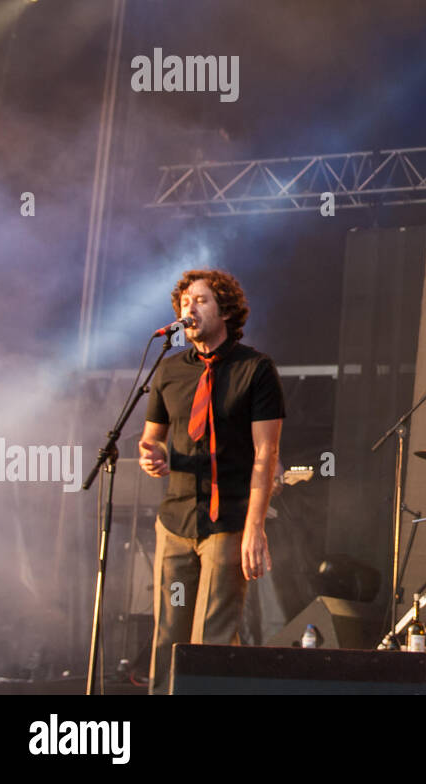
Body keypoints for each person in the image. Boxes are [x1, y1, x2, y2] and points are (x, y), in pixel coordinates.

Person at [138, 269, 284, 693]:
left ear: (225, 311)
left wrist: (254, 530)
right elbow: (152, 440)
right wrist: (153, 457)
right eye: (185, 302)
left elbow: (267, 454)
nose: (190, 308)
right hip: (176, 520)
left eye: (201, 300)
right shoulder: (168, 371)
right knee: (168, 633)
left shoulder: (255, 369)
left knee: (212, 636)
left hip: (228, 519)